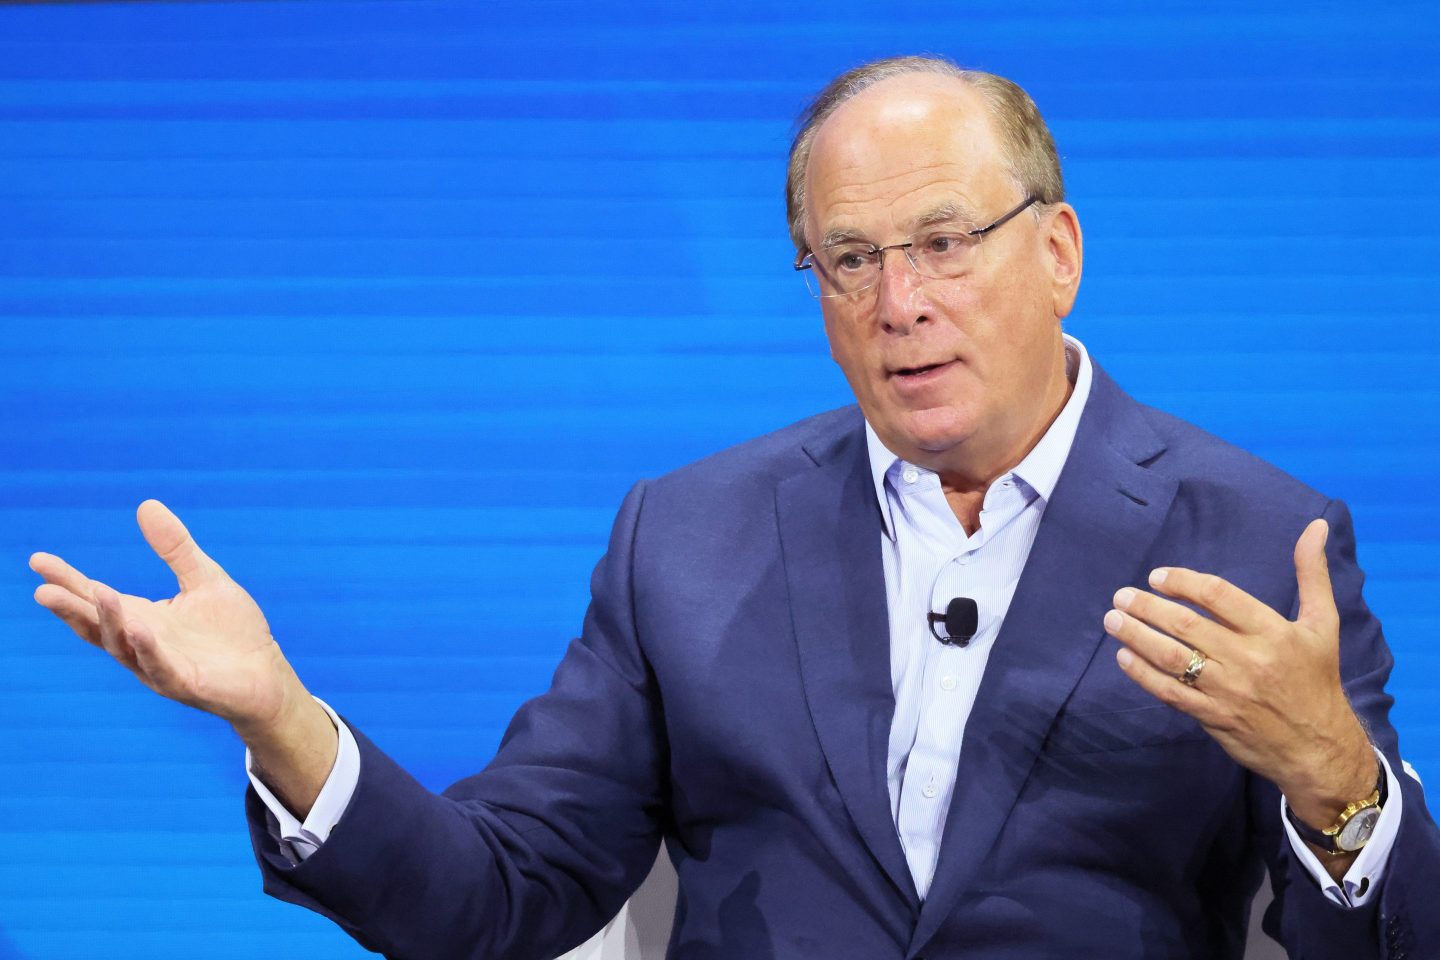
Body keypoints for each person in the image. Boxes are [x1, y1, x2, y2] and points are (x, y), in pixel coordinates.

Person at [30, 56, 1437, 959]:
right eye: (848, 259)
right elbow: (493, 897)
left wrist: (1340, 787)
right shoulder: (688, 539)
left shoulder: (1252, 535)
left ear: (1058, 252)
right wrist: (280, 719)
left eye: (945, 243)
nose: (901, 306)